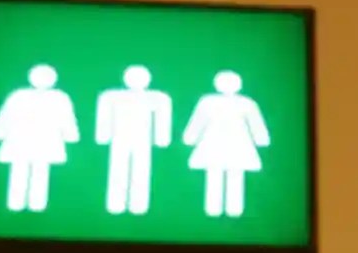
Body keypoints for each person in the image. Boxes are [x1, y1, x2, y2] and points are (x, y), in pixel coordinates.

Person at [0, 64, 80, 212]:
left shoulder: (58, 98)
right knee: (22, 171)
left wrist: (70, 134)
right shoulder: (19, 96)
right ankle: (18, 203)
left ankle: (35, 203)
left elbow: (67, 119)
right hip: (23, 140)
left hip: (42, 141)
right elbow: (6, 115)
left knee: (39, 172)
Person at [182, 71, 270, 218]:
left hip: (230, 144)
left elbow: (255, 122)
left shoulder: (243, 103)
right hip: (223, 144)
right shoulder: (212, 102)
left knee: (228, 175)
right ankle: (219, 209)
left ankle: (226, 209)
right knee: (218, 175)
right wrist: (261, 139)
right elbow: (198, 120)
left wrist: (190, 138)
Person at [95, 66, 172, 215]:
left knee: (141, 170)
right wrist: (103, 135)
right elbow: (105, 117)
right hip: (121, 138)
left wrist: (161, 138)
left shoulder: (157, 98)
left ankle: (138, 205)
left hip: (142, 139)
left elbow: (162, 119)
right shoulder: (111, 96)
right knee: (119, 169)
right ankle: (116, 204)